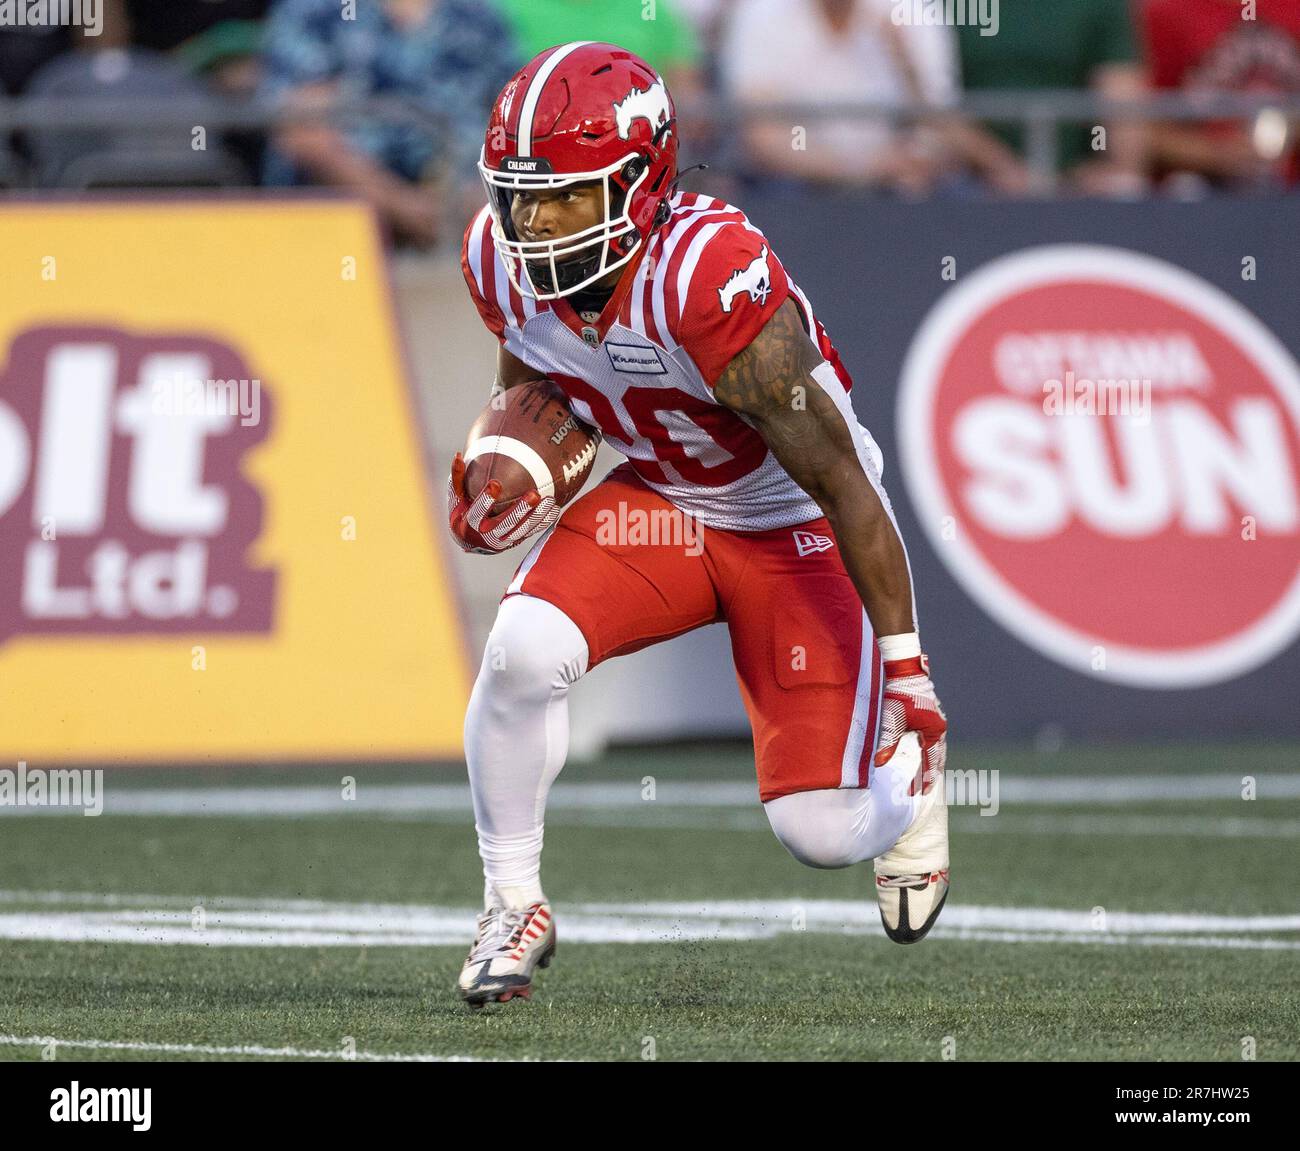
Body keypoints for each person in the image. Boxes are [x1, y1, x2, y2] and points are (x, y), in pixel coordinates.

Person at [448, 42, 949, 1007]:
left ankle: (911, 788)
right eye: (520, 194)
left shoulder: (703, 274)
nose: (535, 222)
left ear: (639, 184)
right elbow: (536, 377)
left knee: (821, 833)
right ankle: (510, 901)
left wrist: (909, 666)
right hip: (666, 506)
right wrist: (521, 459)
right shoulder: (495, 258)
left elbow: (844, 480)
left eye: (564, 196)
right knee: (519, 650)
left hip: (793, 522)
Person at [259, 0, 518, 248]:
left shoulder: (477, 16)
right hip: (334, 242)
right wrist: (404, 207)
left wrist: (478, 202)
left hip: (471, 232)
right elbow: (298, 132)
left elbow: (517, 118)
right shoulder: (314, 11)